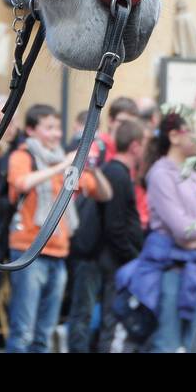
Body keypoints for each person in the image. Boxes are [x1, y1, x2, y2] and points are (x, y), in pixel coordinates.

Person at [118, 106, 196, 352]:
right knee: (165, 344)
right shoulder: (160, 175)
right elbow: (183, 230)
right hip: (169, 273)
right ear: (175, 136)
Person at [6, 104, 111, 353]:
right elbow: (22, 183)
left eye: (57, 128)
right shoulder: (23, 157)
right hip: (28, 253)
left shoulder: (65, 165)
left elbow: (104, 194)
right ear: (31, 130)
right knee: (23, 331)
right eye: (49, 128)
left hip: (59, 254)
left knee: (44, 332)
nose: (55, 134)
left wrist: (92, 167)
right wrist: (62, 165)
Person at [66, 116, 147, 352]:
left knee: (93, 315)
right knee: (91, 315)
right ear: (135, 146)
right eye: (145, 144)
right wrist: (132, 255)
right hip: (99, 257)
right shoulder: (118, 174)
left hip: (100, 256)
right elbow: (116, 225)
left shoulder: (114, 171)